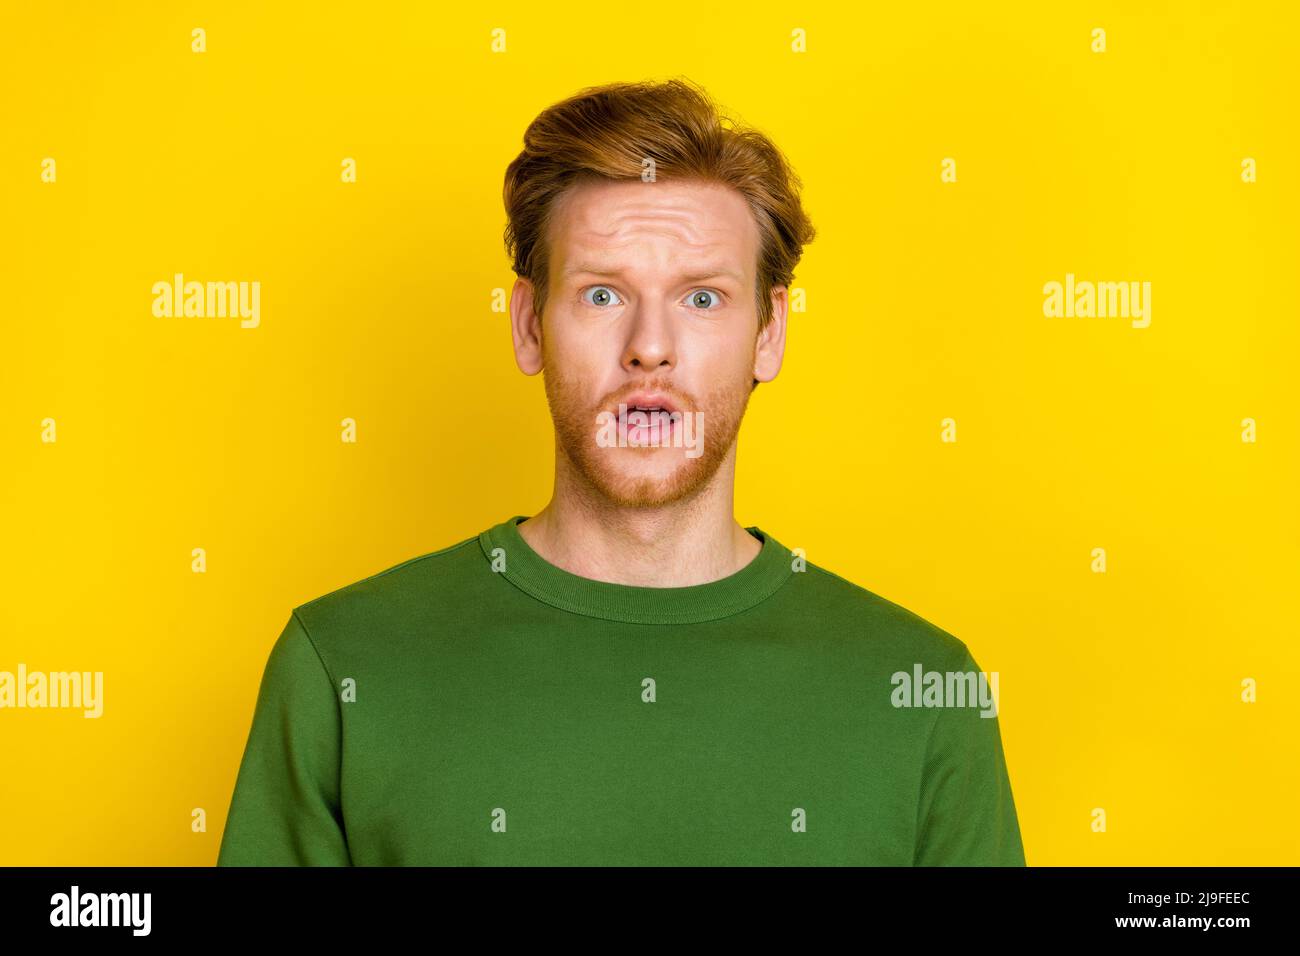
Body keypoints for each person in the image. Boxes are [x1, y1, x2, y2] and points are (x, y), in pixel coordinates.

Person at [217, 77, 1026, 866]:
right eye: (602, 295)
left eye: (701, 299)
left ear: (769, 332)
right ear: (530, 324)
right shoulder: (342, 667)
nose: (649, 345)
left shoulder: (924, 693)